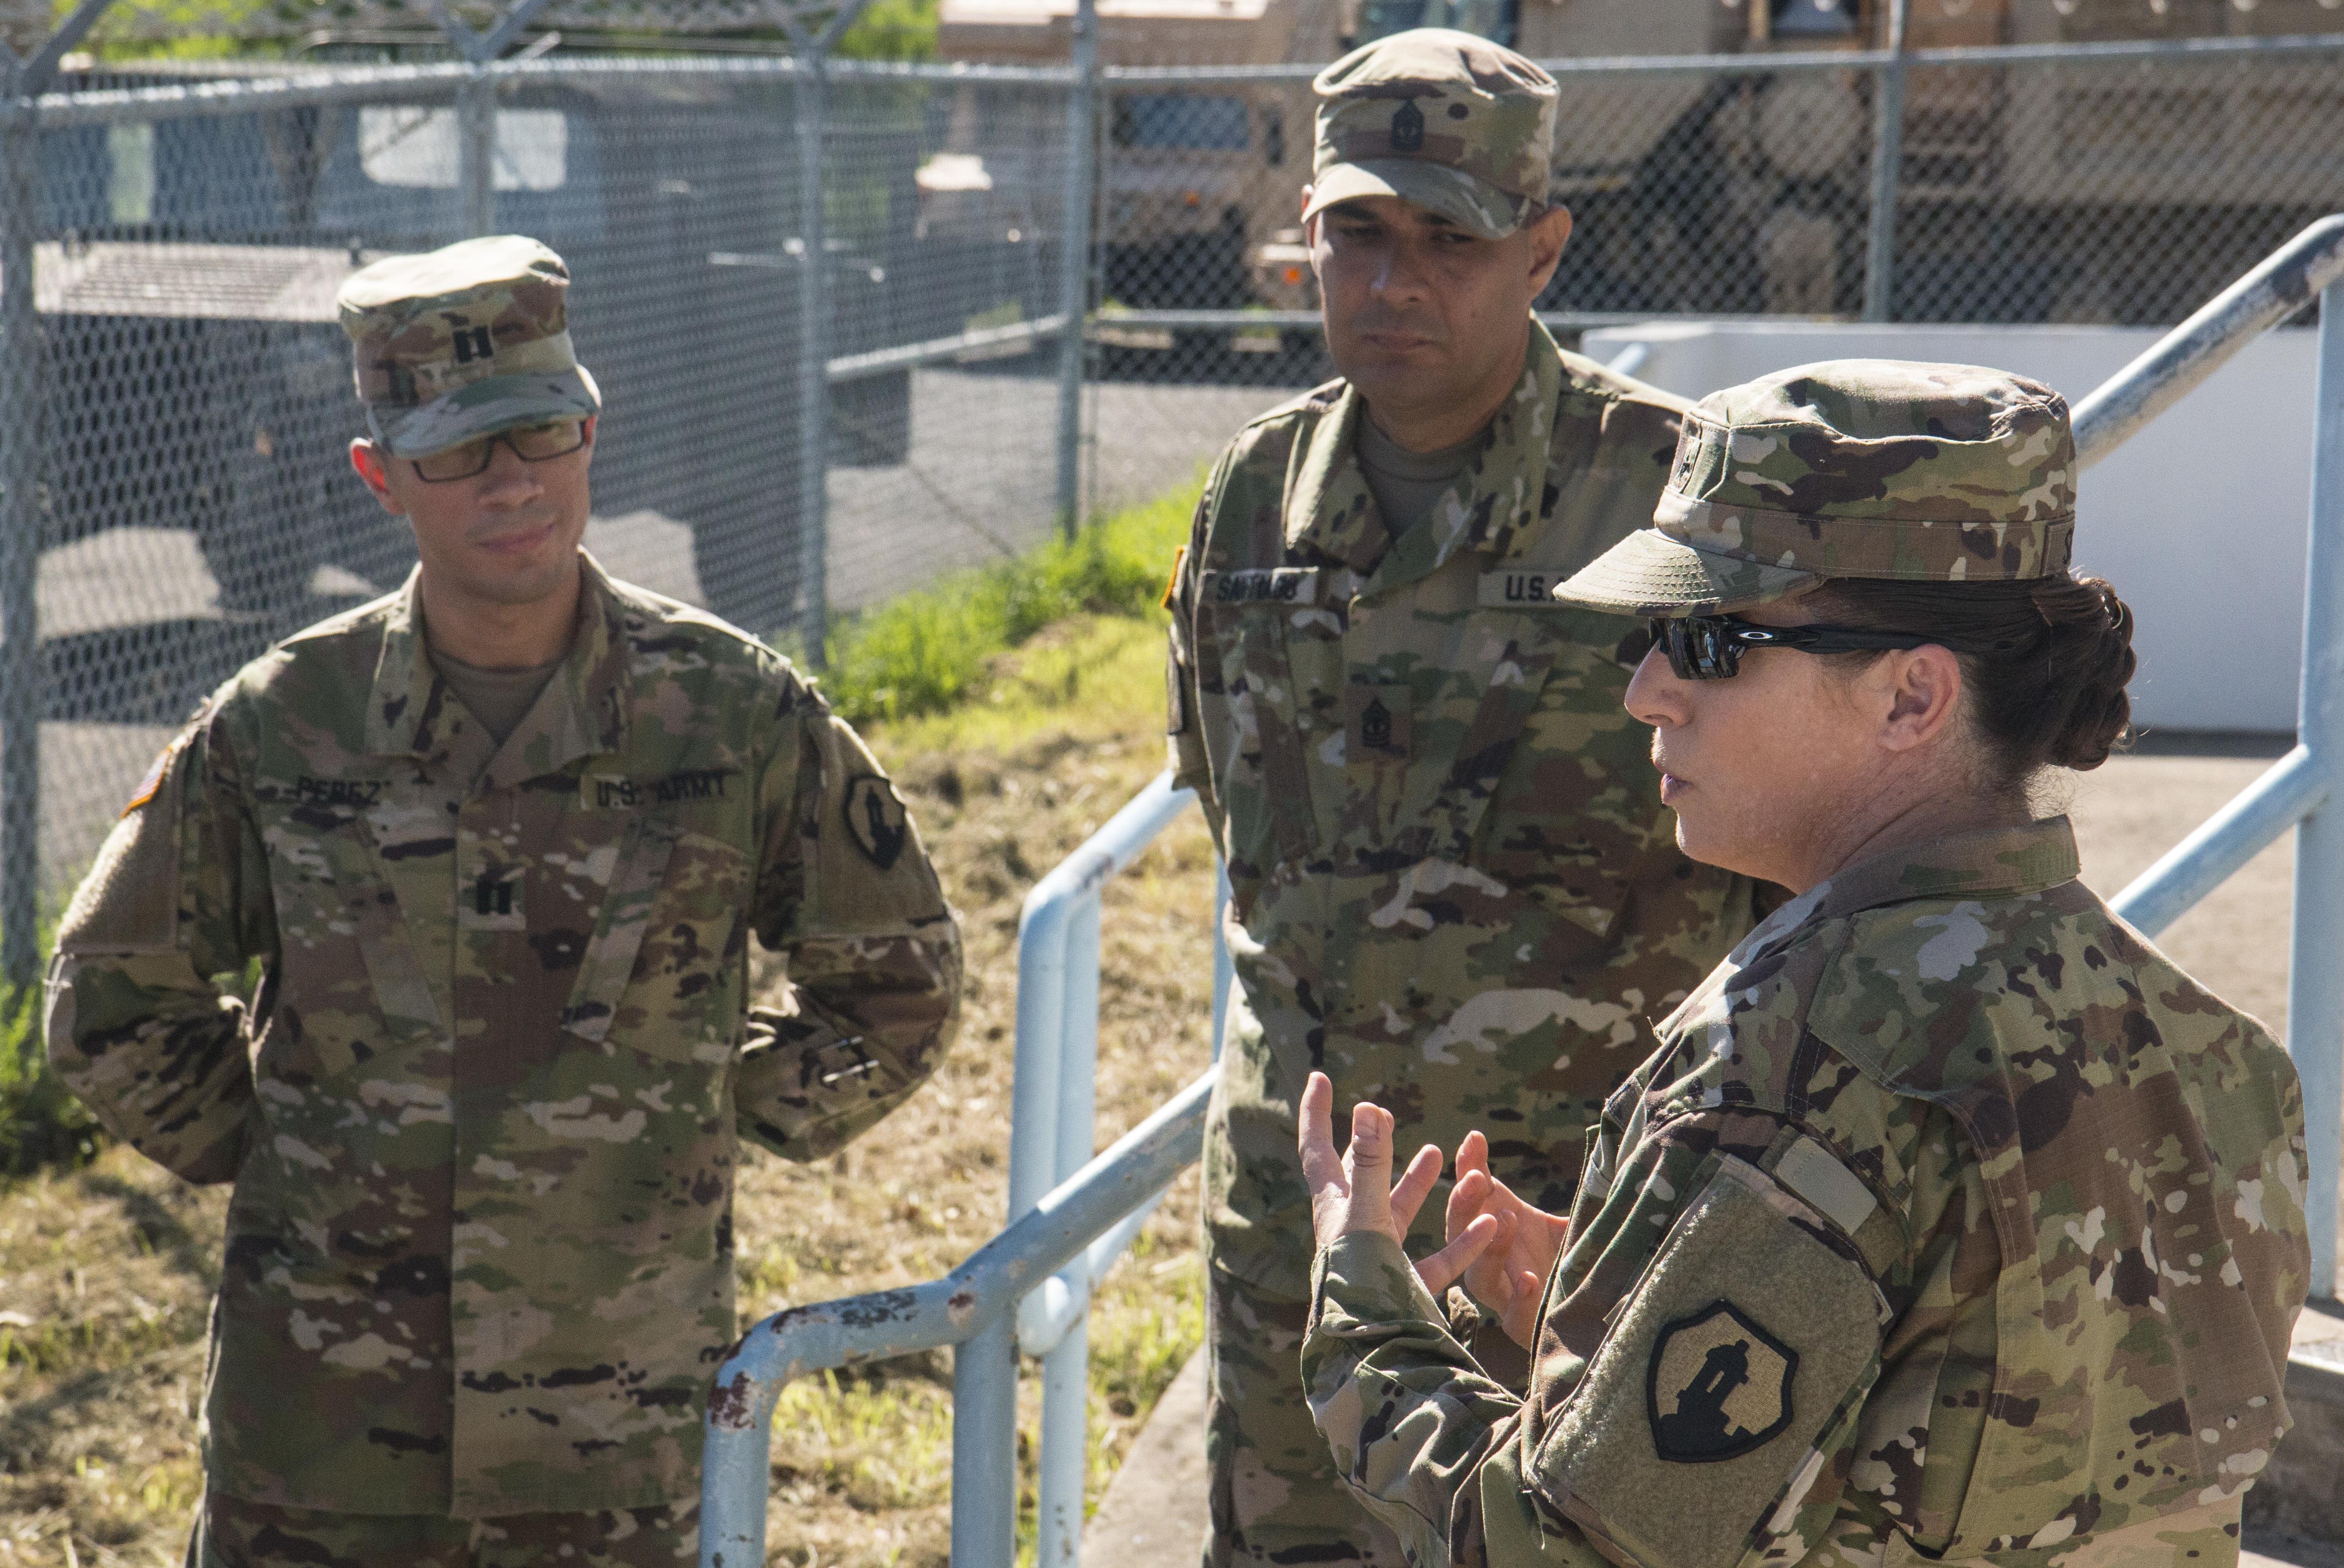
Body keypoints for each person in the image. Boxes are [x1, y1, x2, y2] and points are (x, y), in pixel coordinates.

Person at [1296, 360, 2312, 1567]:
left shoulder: (1786, 1058)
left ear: (1911, 697)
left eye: (1705, 640)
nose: (1644, 690)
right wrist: (1628, 1308)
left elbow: (1544, 1554)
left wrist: (1365, 1318)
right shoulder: (2217, 1057)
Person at [44, 235, 964, 1567]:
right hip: (322, 1425)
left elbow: (898, 980)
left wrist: (695, 1114)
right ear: (378, 476)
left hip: (616, 1422)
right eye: (459, 450)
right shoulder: (287, 723)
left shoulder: (733, 709)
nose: (513, 482)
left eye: (539, 432)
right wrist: (296, 1154)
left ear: (591, 428)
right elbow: (110, 998)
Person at [1161, 28, 1769, 1566]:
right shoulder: (1251, 496)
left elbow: (1790, 868)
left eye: (1448, 237)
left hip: (1568, 1244)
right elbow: (1234, 825)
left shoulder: (1675, 504)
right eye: (1357, 231)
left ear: (1542, 247)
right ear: (1305, 233)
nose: (1392, 278)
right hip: (1299, 1232)